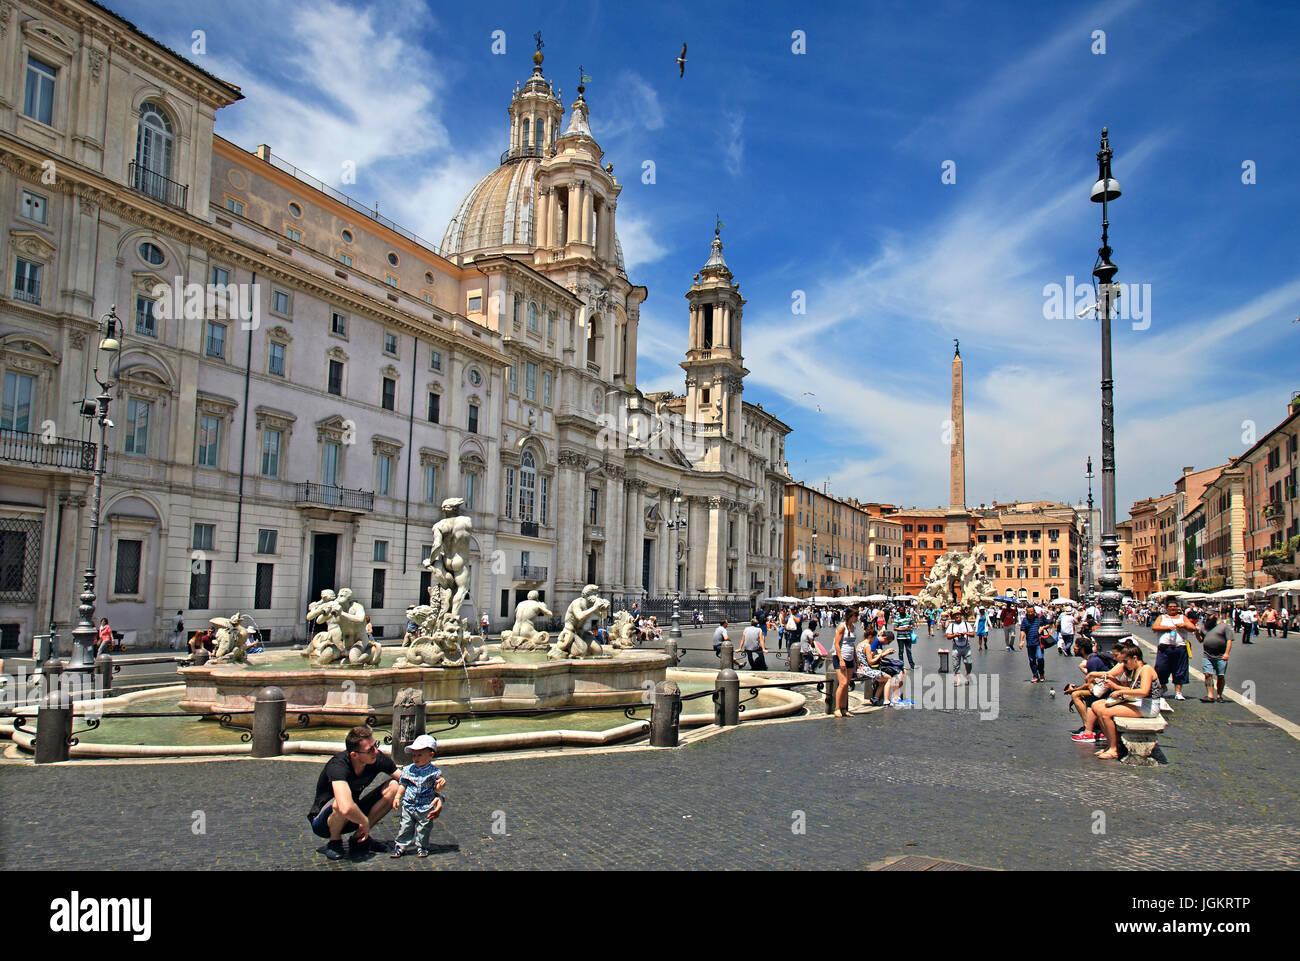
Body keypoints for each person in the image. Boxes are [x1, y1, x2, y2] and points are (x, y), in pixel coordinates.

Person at [308, 725, 402, 860]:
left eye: (376, 745)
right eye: (370, 750)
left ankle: (359, 839)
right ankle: (335, 842)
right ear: (354, 755)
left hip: (354, 816)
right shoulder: (338, 766)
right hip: (323, 823)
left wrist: (435, 787)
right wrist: (364, 821)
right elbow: (345, 807)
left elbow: (404, 779)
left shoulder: (376, 758)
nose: (376, 751)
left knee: (395, 786)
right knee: (340, 804)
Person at [1084, 644, 1164, 761]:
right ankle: (1112, 743)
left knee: (1106, 713)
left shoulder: (1146, 670)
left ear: (1135, 658)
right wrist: (1117, 688)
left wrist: (1119, 690)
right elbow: (1133, 690)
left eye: (1126, 661)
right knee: (1096, 706)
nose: (1124, 665)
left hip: (1148, 706)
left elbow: (1144, 691)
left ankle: (1114, 749)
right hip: (1140, 702)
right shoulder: (1136, 669)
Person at [389, 734, 446, 859]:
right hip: (409, 804)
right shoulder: (408, 769)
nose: (415, 758)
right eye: (414, 755)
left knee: (424, 828)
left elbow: (436, 789)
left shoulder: (435, 772)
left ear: (431, 755)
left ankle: (422, 846)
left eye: (419, 755)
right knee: (405, 826)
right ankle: (400, 846)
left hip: (426, 806)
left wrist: (440, 786)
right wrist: (398, 797)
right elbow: (403, 784)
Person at [1151, 600, 1196, 701]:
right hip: (1164, 648)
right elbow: (1154, 627)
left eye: (1175, 607)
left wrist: (1184, 625)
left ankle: (1178, 692)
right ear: (1166, 608)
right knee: (1160, 668)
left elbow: (1193, 628)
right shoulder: (1161, 617)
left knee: (1180, 670)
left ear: (1178, 608)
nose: (1172, 608)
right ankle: (1163, 687)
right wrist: (1167, 628)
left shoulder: (1182, 617)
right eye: (1170, 607)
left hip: (1179, 647)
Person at [1198, 613, 1232, 703]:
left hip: (1221, 656)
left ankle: (1219, 695)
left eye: (1210, 615)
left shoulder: (1224, 626)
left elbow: (1229, 640)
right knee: (1208, 674)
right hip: (1207, 655)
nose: (1208, 617)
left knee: (1220, 676)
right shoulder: (1204, 627)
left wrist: (1227, 653)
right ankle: (1210, 695)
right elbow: (1201, 640)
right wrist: (1196, 633)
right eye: (1206, 615)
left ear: (1216, 615)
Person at [831, 608, 859, 718]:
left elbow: (852, 645)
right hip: (840, 658)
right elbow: (837, 644)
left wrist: (856, 659)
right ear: (850, 616)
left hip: (850, 657)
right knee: (842, 684)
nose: (857, 618)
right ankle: (837, 708)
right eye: (855, 616)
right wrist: (841, 659)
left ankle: (844, 708)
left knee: (846, 684)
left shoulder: (853, 627)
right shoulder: (842, 627)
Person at [946, 612, 974, 685]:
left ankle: (967, 675)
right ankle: (959, 680)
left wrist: (966, 633)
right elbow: (948, 636)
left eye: (958, 615)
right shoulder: (951, 625)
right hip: (956, 647)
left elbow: (973, 634)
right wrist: (955, 635)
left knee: (969, 663)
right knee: (956, 664)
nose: (957, 616)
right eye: (955, 615)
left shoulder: (966, 624)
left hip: (966, 646)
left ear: (961, 616)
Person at [1019, 608, 1045, 682]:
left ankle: (1041, 673)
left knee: (1040, 658)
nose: (1030, 613)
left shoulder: (1039, 617)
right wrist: (1021, 641)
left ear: (1034, 612)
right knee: (1032, 660)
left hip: (1038, 642)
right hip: (1030, 642)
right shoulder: (1025, 620)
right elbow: (1023, 631)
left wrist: (1043, 627)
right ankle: (1035, 675)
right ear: (1026, 612)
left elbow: (1048, 624)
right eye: (1029, 612)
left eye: (1032, 612)